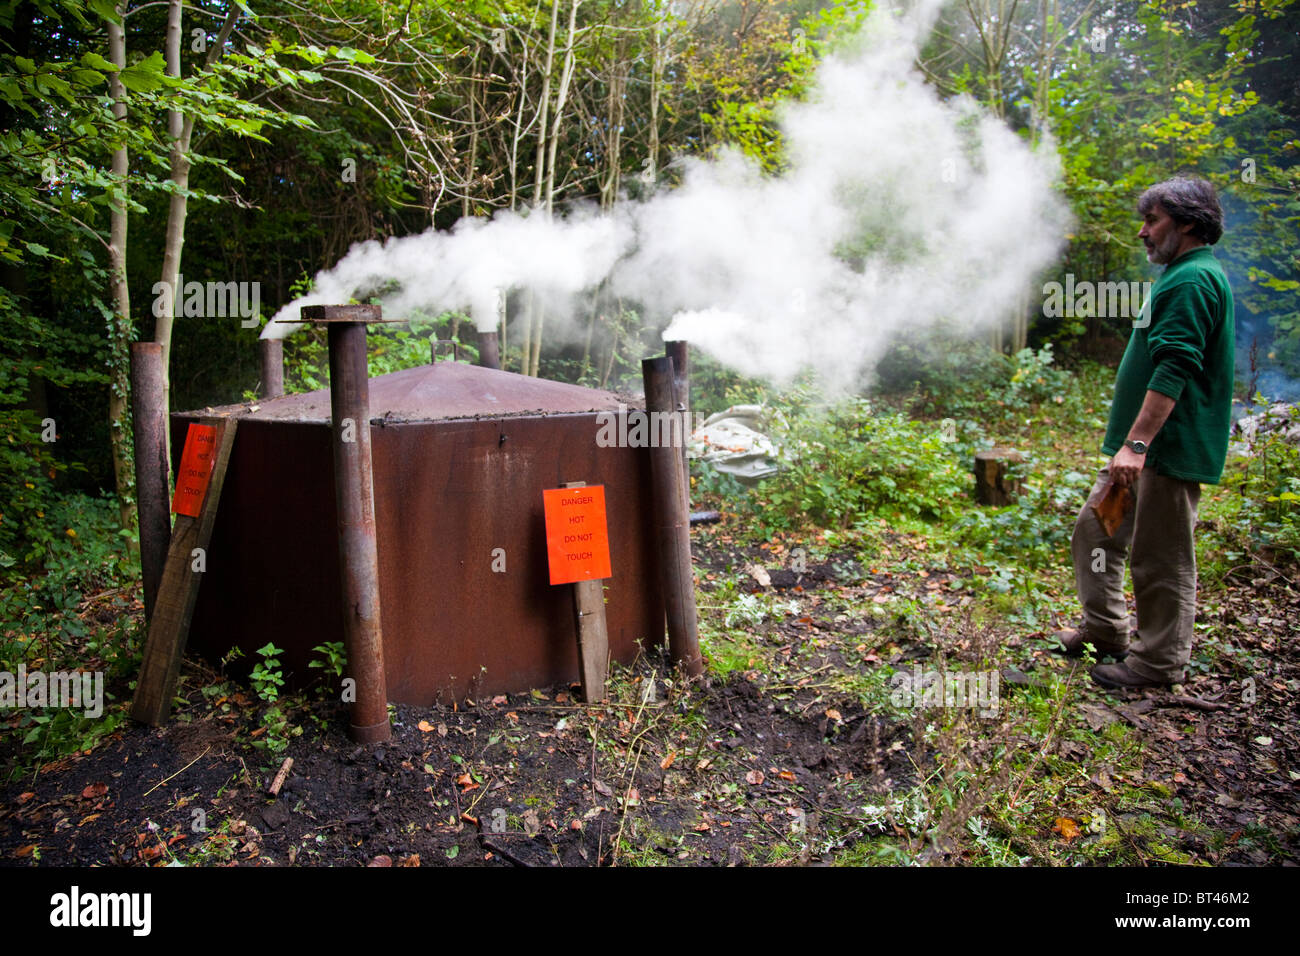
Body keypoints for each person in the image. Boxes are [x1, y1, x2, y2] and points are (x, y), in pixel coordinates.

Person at [1054, 176, 1235, 689]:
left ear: (1189, 223)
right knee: (1096, 530)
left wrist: (1137, 444)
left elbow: (1176, 364)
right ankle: (1106, 631)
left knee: (1162, 557)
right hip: (1144, 450)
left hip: (1165, 449)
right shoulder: (1182, 275)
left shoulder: (1194, 280)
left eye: (1152, 220)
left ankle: (1157, 664)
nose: (1142, 232)